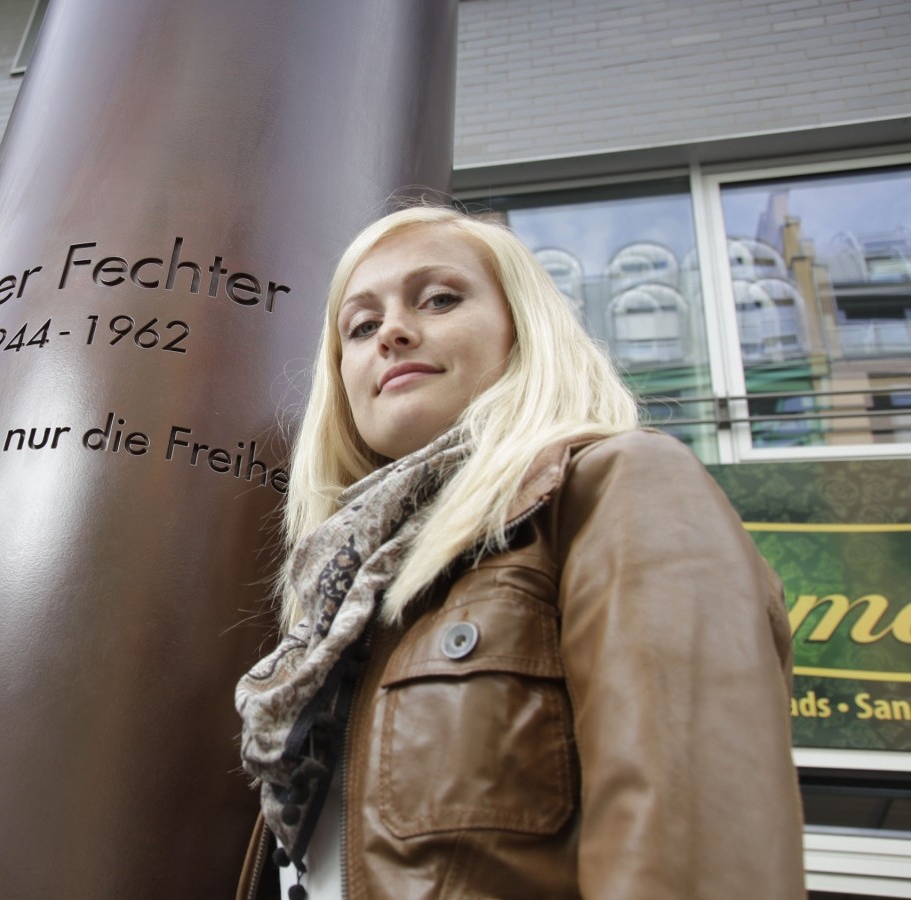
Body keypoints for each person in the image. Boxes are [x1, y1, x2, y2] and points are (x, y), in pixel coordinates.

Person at [234, 207, 804, 899]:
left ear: (524, 330)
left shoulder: (616, 486)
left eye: (439, 298)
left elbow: (697, 853)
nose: (392, 332)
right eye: (360, 326)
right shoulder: (345, 596)